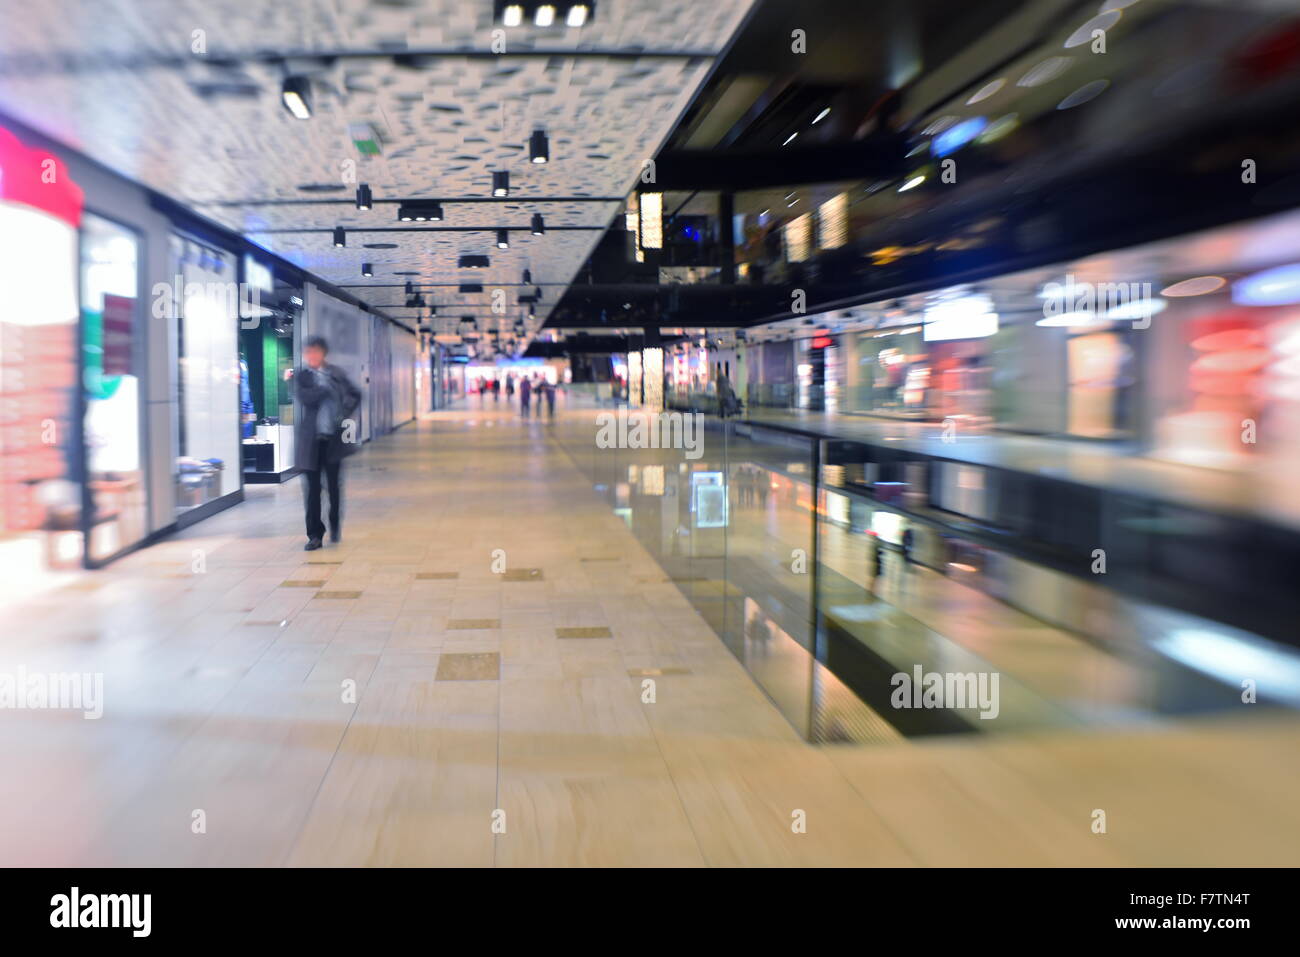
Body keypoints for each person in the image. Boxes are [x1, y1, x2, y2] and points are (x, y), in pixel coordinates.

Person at [294, 336, 362, 551]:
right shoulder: (302, 376)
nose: (311, 356)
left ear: (323, 353)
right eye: (308, 352)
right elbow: (305, 398)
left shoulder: (336, 373)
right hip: (311, 442)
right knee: (312, 490)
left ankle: (334, 523)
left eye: (315, 352)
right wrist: (325, 389)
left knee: (333, 487)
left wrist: (344, 411)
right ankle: (314, 535)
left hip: (333, 440)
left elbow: (355, 394)